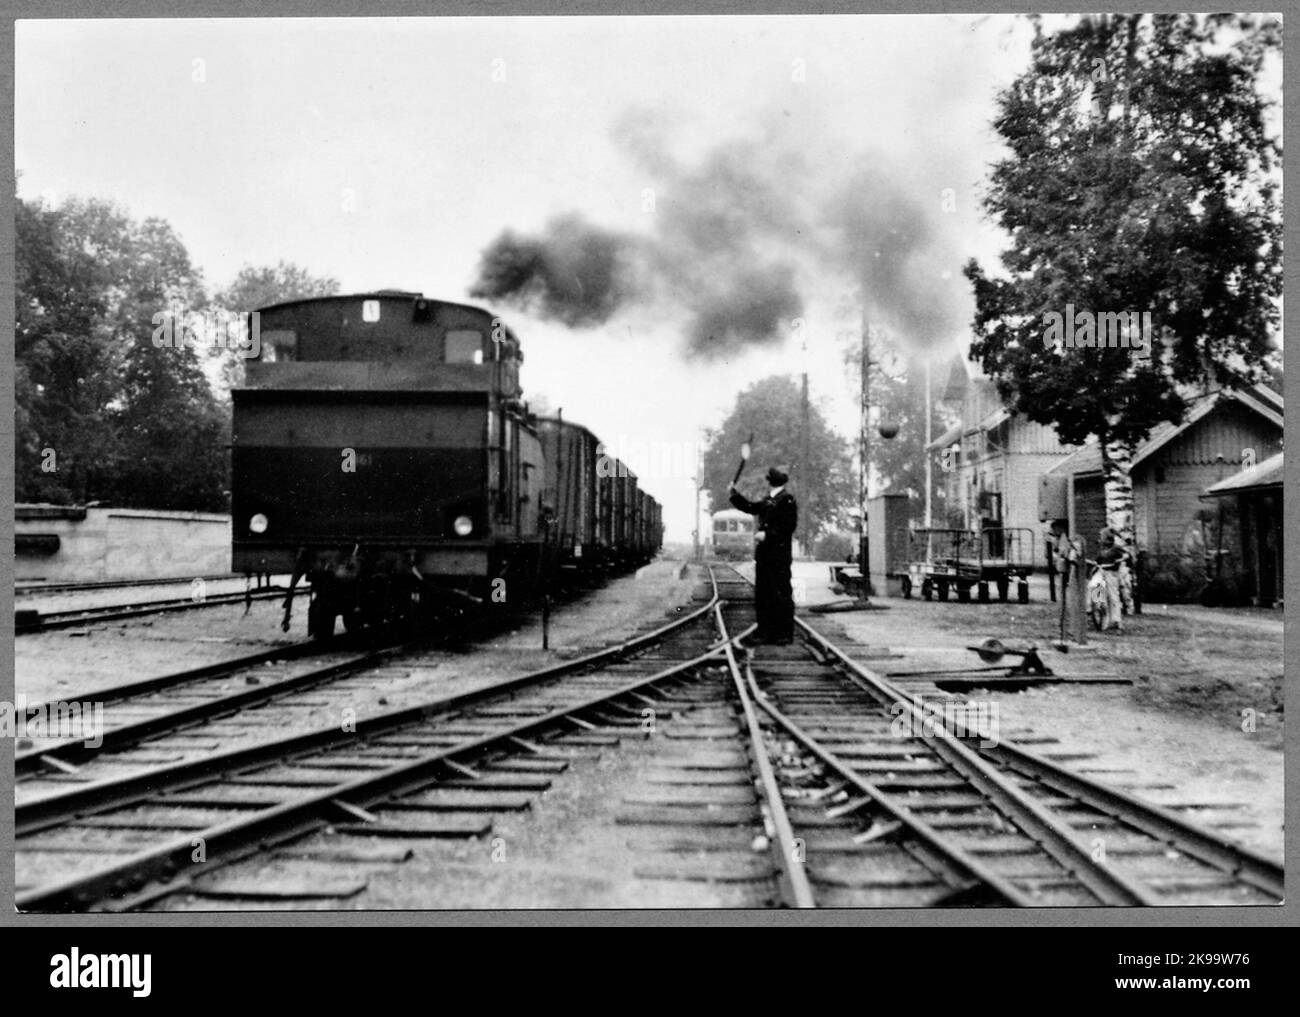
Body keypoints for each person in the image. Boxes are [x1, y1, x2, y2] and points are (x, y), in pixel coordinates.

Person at [729, 465, 798, 644]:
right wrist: (734, 495)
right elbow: (750, 507)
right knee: (764, 593)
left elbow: (788, 527)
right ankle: (764, 632)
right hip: (765, 555)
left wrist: (767, 535)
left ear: (771, 481)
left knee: (780, 593)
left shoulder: (787, 500)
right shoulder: (769, 500)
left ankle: (783, 634)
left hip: (779, 555)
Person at [1096, 526, 1127, 632]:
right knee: (1098, 591)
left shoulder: (1116, 548)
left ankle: (1117, 621)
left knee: (1113, 596)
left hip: (1112, 573)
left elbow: (1126, 555)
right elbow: (1098, 560)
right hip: (1103, 571)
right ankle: (1101, 617)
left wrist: (1119, 561)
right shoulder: (1102, 549)